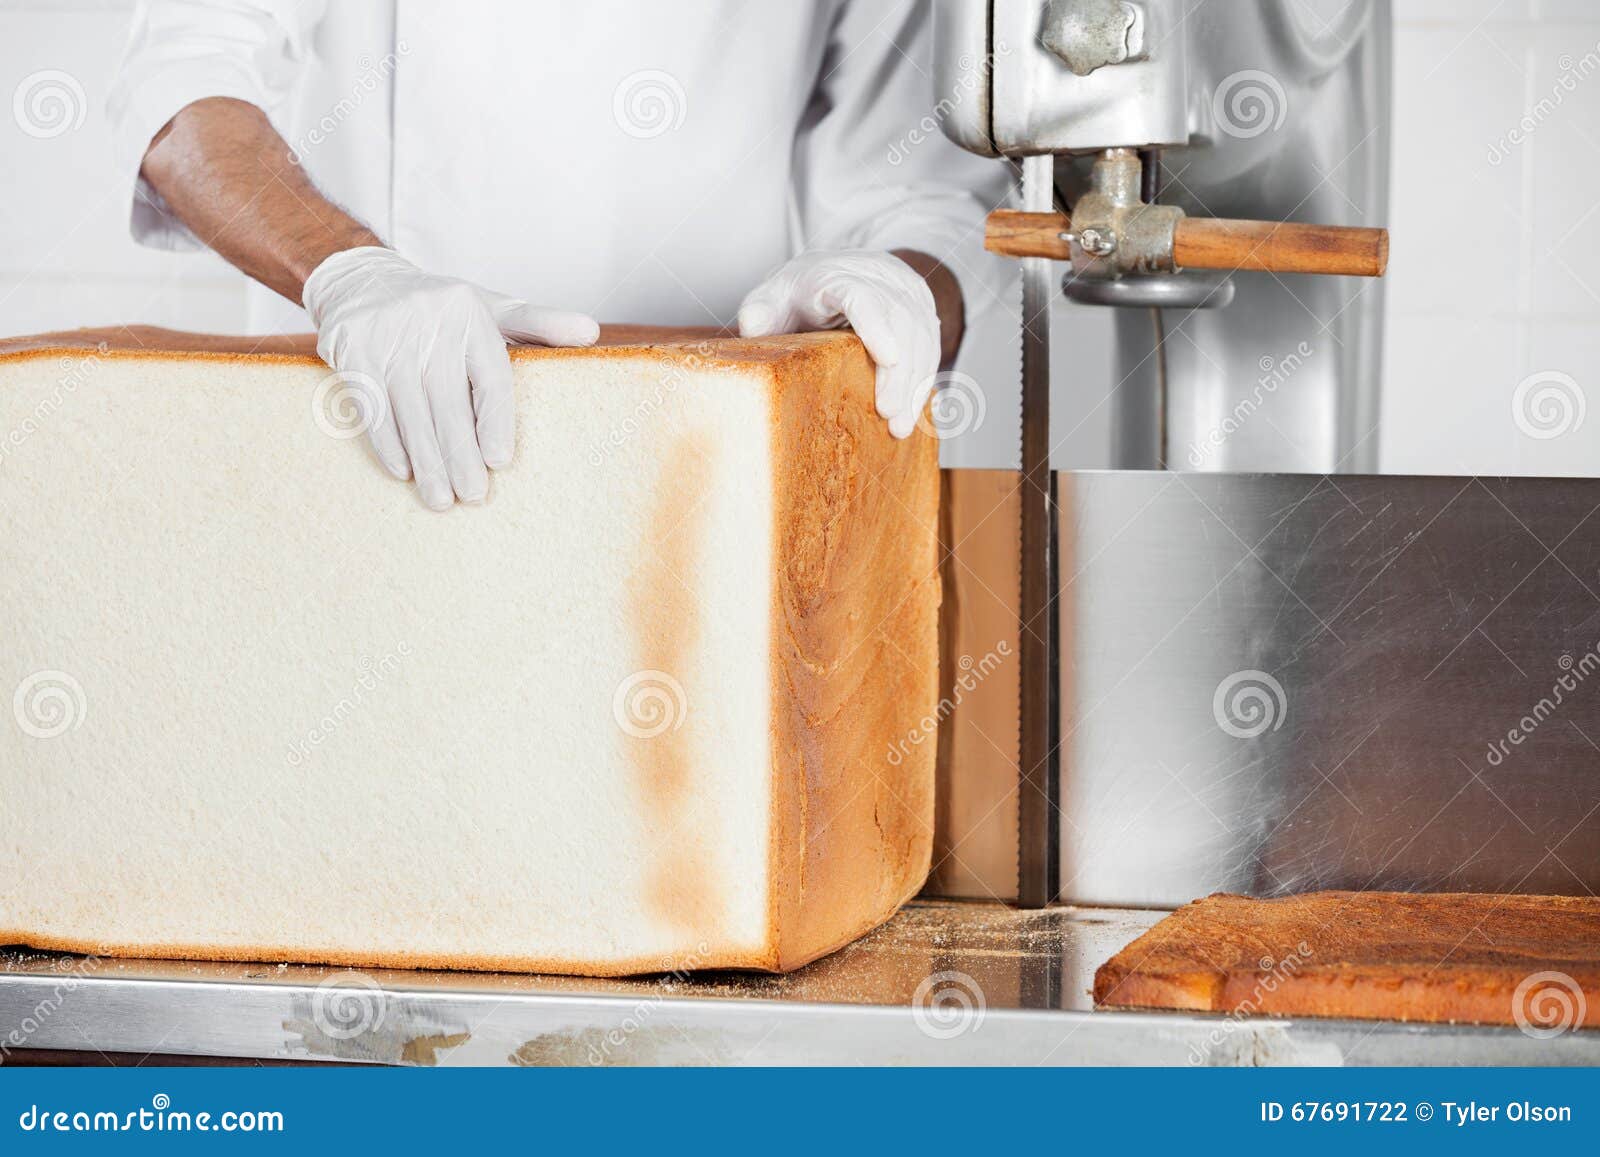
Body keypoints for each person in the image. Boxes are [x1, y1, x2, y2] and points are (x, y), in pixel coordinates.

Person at [109, 0, 1009, 510]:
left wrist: (894, 285)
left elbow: (923, 186)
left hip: (699, 470)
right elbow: (183, 82)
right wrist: (350, 271)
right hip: (368, 439)